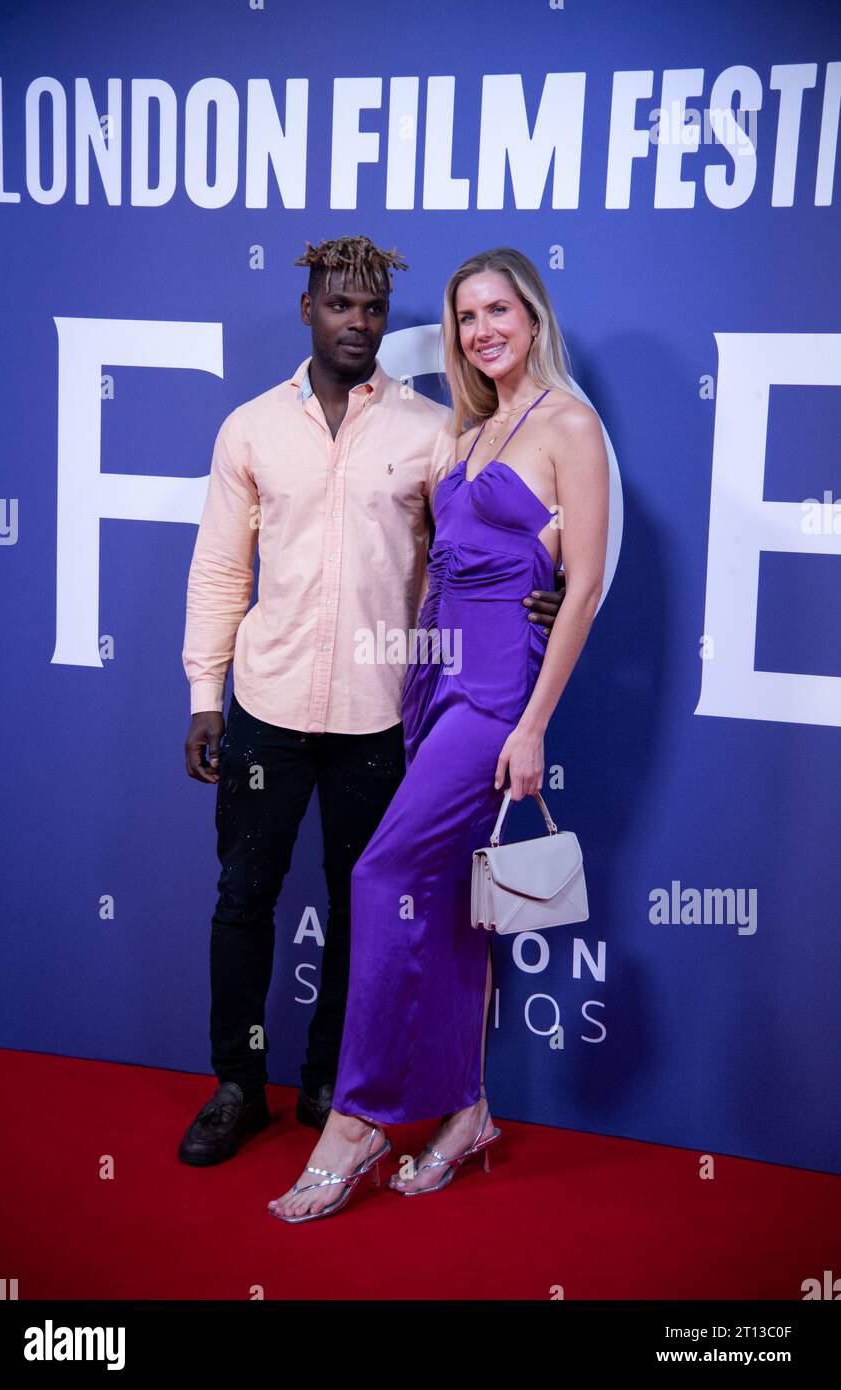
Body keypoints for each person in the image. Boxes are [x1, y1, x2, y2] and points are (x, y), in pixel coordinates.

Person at [178, 236, 564, 1166]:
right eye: (339, 305)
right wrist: (204, 695)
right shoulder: (250, 428)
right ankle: (236, 1082)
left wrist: (538, 586)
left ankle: (326, 1082)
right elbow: (223, 568)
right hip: (267, 703)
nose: (358, 322)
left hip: (382, 716)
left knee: (365, 907)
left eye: (373, 308)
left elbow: (477, 549)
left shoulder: (429, 431)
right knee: (244, 898)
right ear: (307, 309)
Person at [269, 247, 609, 1222]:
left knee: (381, 876)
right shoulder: (468, 429)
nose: (482, 330)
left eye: (499, 310)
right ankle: (465, 1110)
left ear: (534, 317)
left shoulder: (570, 426)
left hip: (500, 693)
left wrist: (535, 719)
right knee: (459, 905)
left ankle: (362, 1116)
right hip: (434, 684)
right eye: (466, 317)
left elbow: (579, 584)